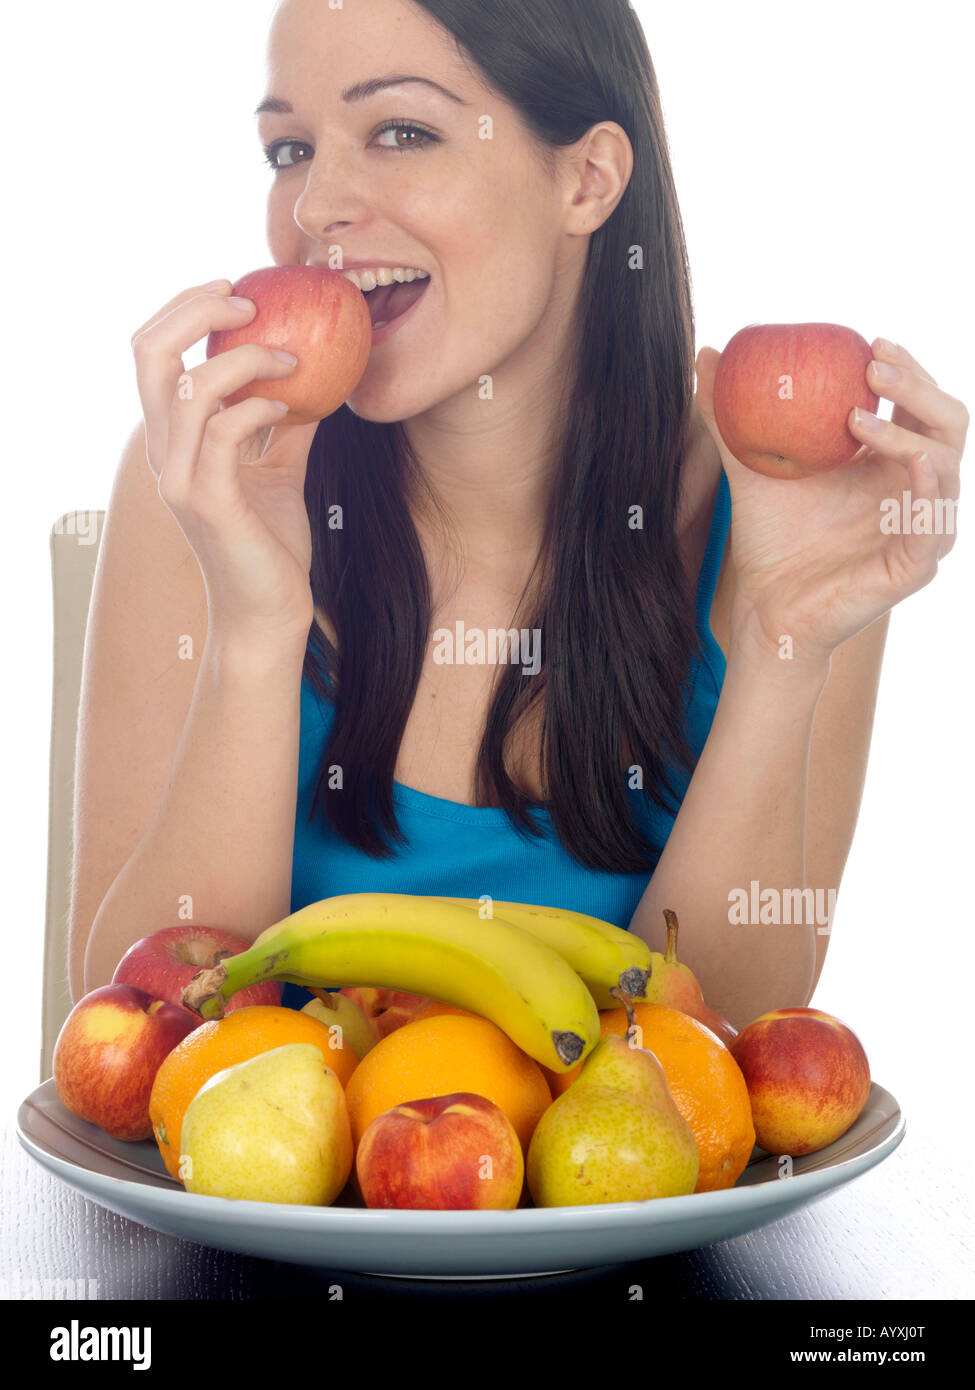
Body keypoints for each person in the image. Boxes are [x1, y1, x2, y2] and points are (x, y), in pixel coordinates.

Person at [68, 0, 966, 1030]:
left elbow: (730, 1060)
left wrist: (786, 643)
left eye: (401, 132)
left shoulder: (796, 504)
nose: (317, 205)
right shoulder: (207, 476)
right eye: (291, 148)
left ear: (586, 179)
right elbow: (135, 1032)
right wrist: (257, 626)